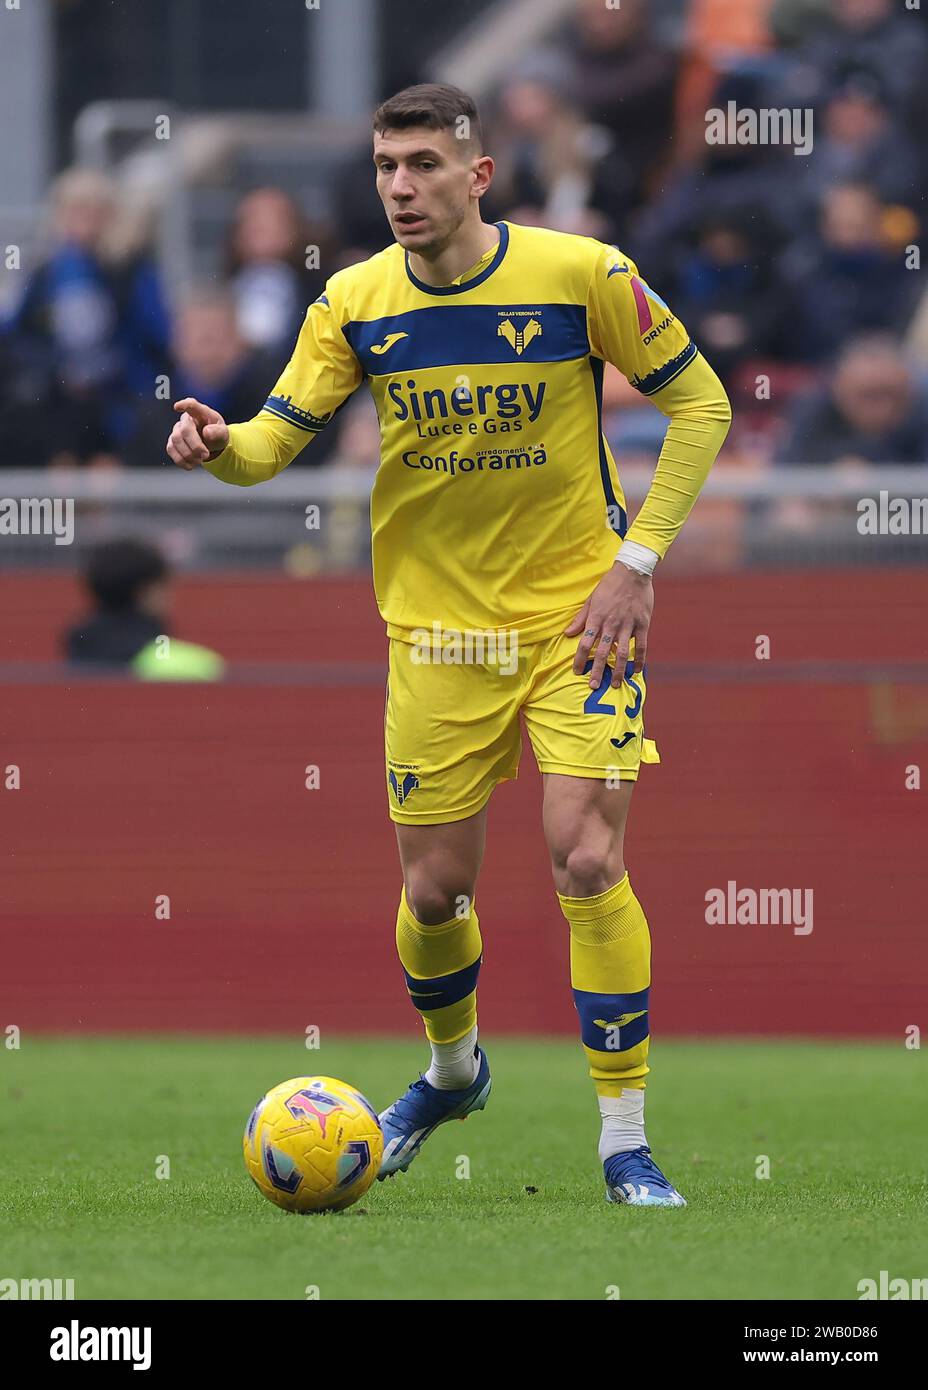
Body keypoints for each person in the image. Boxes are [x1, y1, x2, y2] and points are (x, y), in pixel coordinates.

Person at [167, 83, 731, 1208]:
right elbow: (277, 439)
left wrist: (638, 563)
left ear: (478, 176)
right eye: (385, 166)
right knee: (434, 893)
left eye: (422, 164)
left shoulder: (583, 274)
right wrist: (220, 445)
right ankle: (452, 1070)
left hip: (580, 619)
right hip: (435, 636)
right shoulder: (354, 300)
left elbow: (703, 402)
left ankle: (625, 1141)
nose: (399, 187)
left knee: (587, 857)